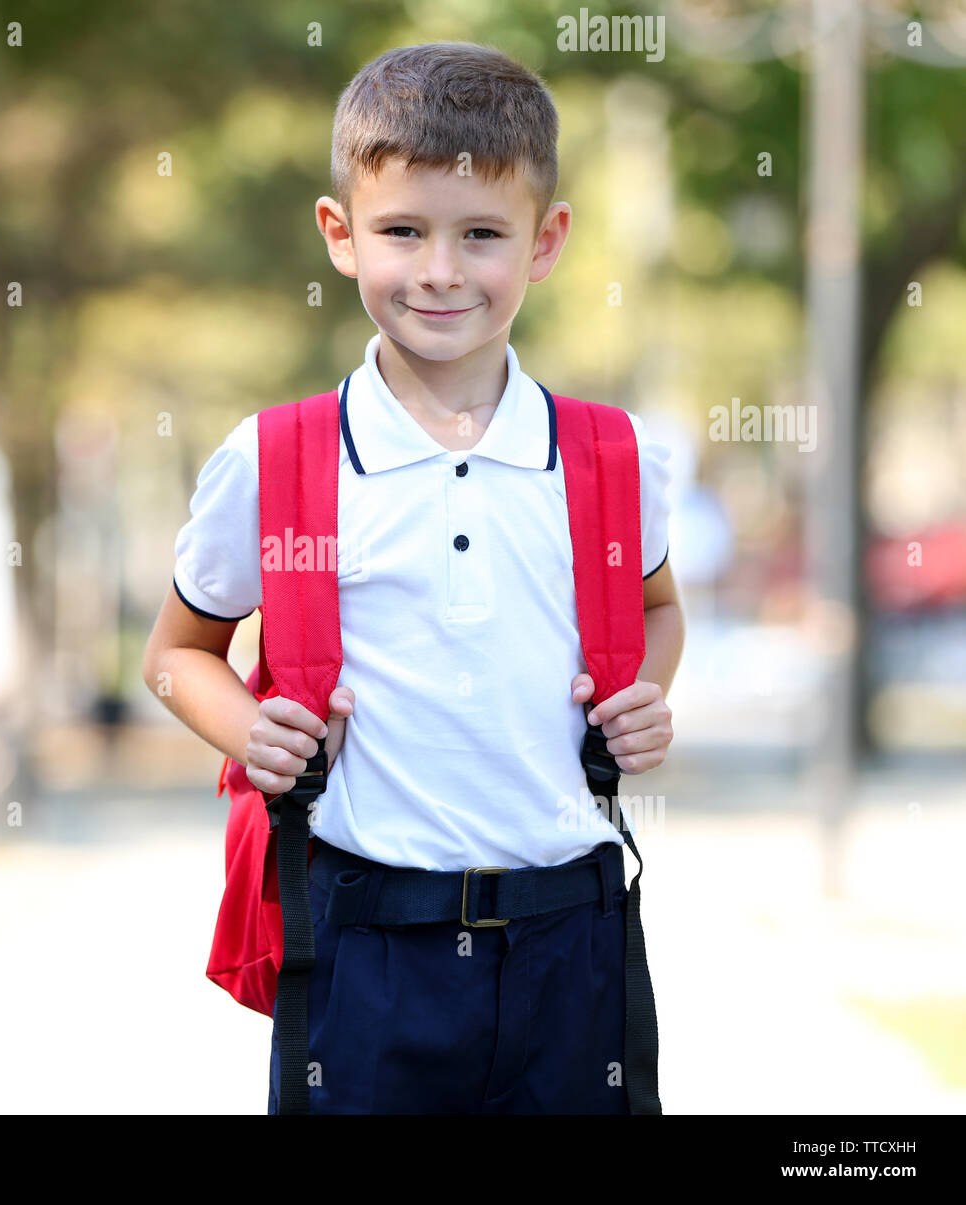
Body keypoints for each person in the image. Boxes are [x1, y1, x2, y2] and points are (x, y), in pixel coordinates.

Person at [143, 41, 685, 1114]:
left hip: (569, 941)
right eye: (402, 231)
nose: (440, 270)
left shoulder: (610, 460)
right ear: (340, 235)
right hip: (364, 950)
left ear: (545, 241)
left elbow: (657, 611)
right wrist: (245, 731)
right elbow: (175, 654)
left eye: (481, 234)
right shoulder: (277, 461)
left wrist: (646, 694)